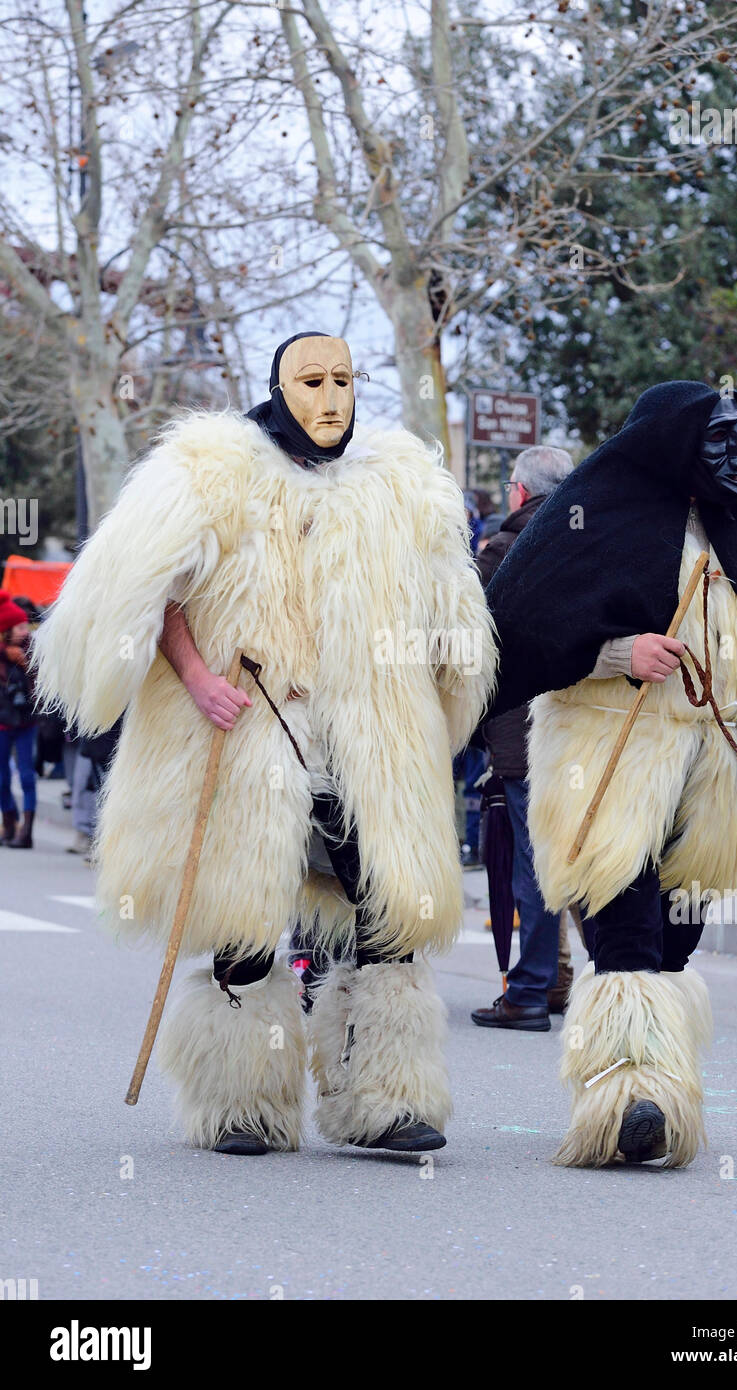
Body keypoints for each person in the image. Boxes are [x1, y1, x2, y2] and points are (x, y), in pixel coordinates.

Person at [34, 331, 496, 1157]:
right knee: (247, 913)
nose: (330, 397)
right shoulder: (216, 470)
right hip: (250, 730)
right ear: (280, 388)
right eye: (311, 380)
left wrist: (434, 704)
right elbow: (149, 585)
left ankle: (383, 1100)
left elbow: (451, 610)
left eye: (344, 380)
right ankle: (242, 1101)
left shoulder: (400, 485)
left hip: (367, 740)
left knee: (386, 910)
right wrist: (198, 676)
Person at [486, 383, 737, 1167]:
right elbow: (520, 628)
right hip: (612, 757)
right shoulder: (596, 512)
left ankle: (658, 1085)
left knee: (675, 942)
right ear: (674, 443)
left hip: (714, 768)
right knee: (623, 936)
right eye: (716, 439)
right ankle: (628, 1104)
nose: (734, 454)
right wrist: (615, 653)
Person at [470, 446, 575, 1030]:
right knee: (581, 856)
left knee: (531, 865)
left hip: (522, 732)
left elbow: (467, 642)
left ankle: (530, 991)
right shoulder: (589, 540)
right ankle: (593, 977)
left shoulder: (503, 551)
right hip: (583, 729)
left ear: (518, 492)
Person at [0, 590, 38, 848]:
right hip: (2, 723)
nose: (25, 630)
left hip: (27, 721)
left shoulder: (33, 652)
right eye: (19, 626)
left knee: (27, 775)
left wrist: (28, 666)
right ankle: (9, 822)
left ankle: (27, 832)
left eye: (26, 625)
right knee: (1, 778)